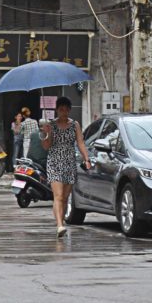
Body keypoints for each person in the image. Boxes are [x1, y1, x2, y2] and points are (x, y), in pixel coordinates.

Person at [40, 97, 91, 238]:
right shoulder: (51, 125)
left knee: (65, 197)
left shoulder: (75, 125)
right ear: (57, 110)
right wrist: (45, 133)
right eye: (61, 109)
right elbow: (46, 146)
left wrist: (86, 158)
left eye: (66, 109)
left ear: (69, 110)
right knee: (58, 195)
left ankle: (60, 221)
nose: (64, 112)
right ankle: (59, 225)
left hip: (69, 162)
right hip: (54, 162)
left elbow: (80, 143)